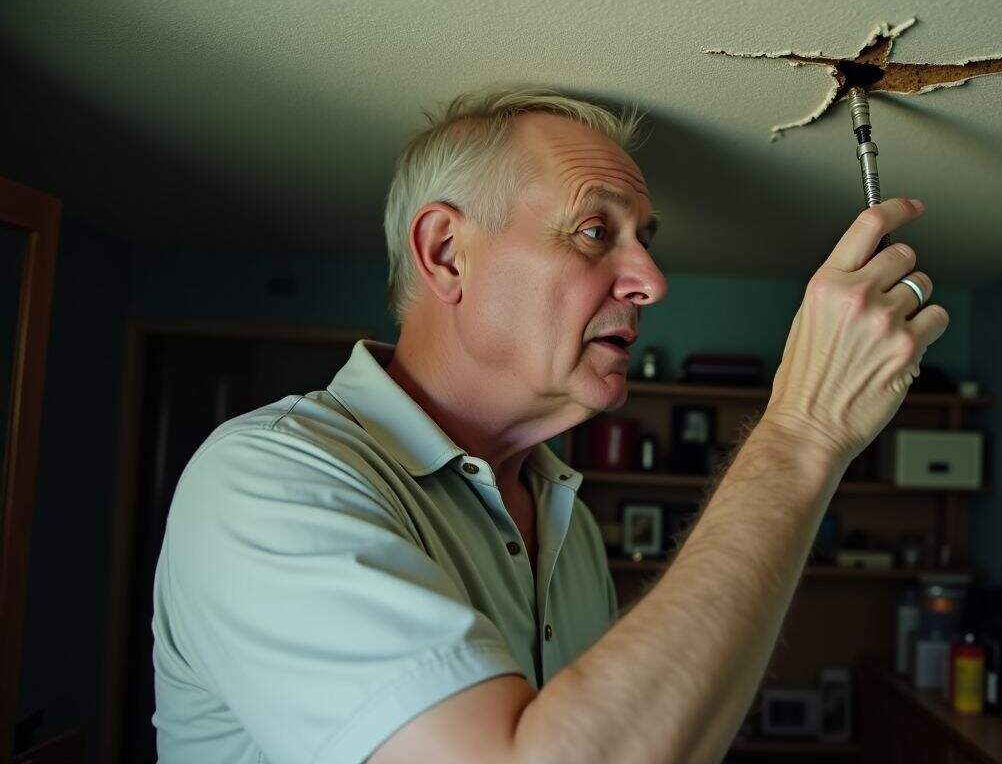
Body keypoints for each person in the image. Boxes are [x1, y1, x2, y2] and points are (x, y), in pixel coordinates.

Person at [150, 88, 948, 764]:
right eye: (595, 232)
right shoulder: (266, 480)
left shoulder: (569, 527)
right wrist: (801, 431)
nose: (652, 282)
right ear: (447, 253)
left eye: (644, 242)